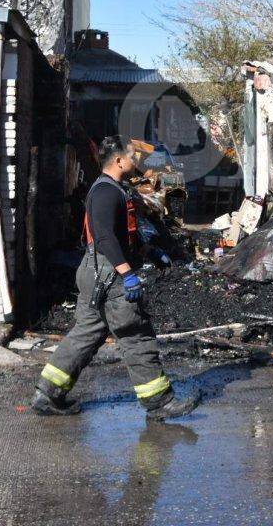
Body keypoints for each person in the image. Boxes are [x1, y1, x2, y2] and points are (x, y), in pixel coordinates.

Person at [32, 136, 200, 420]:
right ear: (119, 161)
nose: (137, 161)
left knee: (86, 333)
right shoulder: (106, 193)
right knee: (135, 335)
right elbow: (105, 237)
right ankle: (159, 403)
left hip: (97, 272)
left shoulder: (113, 190)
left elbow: (120, 237)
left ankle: (48, 393)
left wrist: (149, 251)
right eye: (133, 156)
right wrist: (128, 274)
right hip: (110, 276)